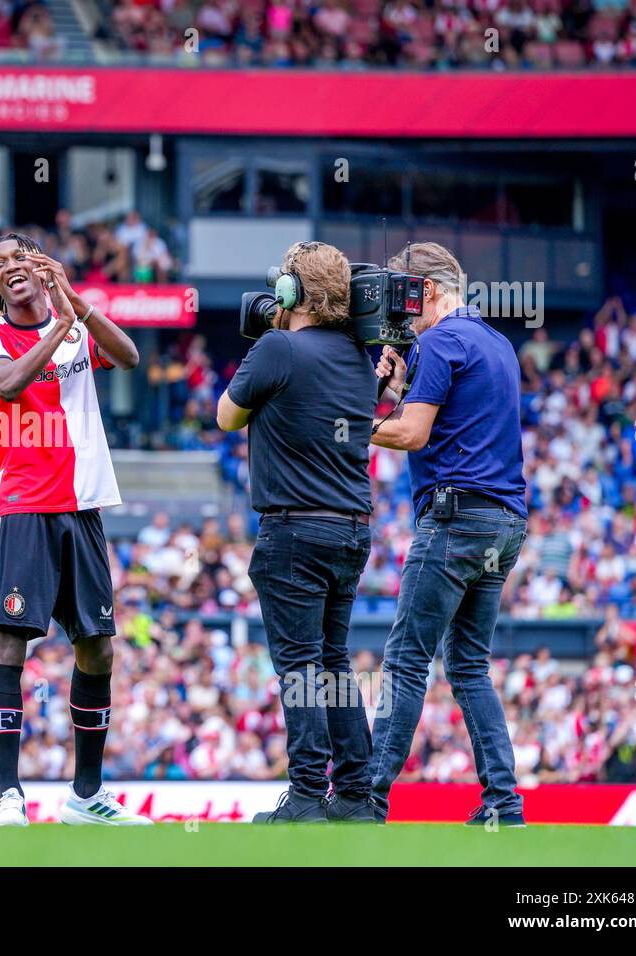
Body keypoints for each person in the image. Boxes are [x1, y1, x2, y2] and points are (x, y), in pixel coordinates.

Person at [0, 233, 149, 827]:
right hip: (23, 508)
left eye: (21, 258)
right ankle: (9, 796)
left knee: (97, 647)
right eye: (0, 265)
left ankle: (86, 795)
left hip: (84, 505)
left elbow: (128, 357)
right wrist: (58, 327)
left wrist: (77, 305)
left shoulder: (76, 324)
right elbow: (8, 384)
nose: (10, 268)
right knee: (10, 641)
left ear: (43, 269)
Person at [368, 241, 529, 827]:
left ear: (426, 290)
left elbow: (411, 434)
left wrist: (342, 420)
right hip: (504, 523)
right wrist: (397, 389)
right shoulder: (495, 341)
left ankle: (369, 795)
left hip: (456, 518)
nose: (401, 311)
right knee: (468, 667)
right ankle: (503, 804)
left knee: (407, 657)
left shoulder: (439, 339)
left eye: (405, 296)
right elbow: (445, 420)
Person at [216, 240, 377, 823]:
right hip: (351, 530)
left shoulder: (277, 348)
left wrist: (269, 345)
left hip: (293, 530)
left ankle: (307, 794)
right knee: (332, 661)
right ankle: (356, 794)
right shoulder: (360, 355)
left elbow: (225, 415)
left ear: (290, 292)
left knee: (301, 666)